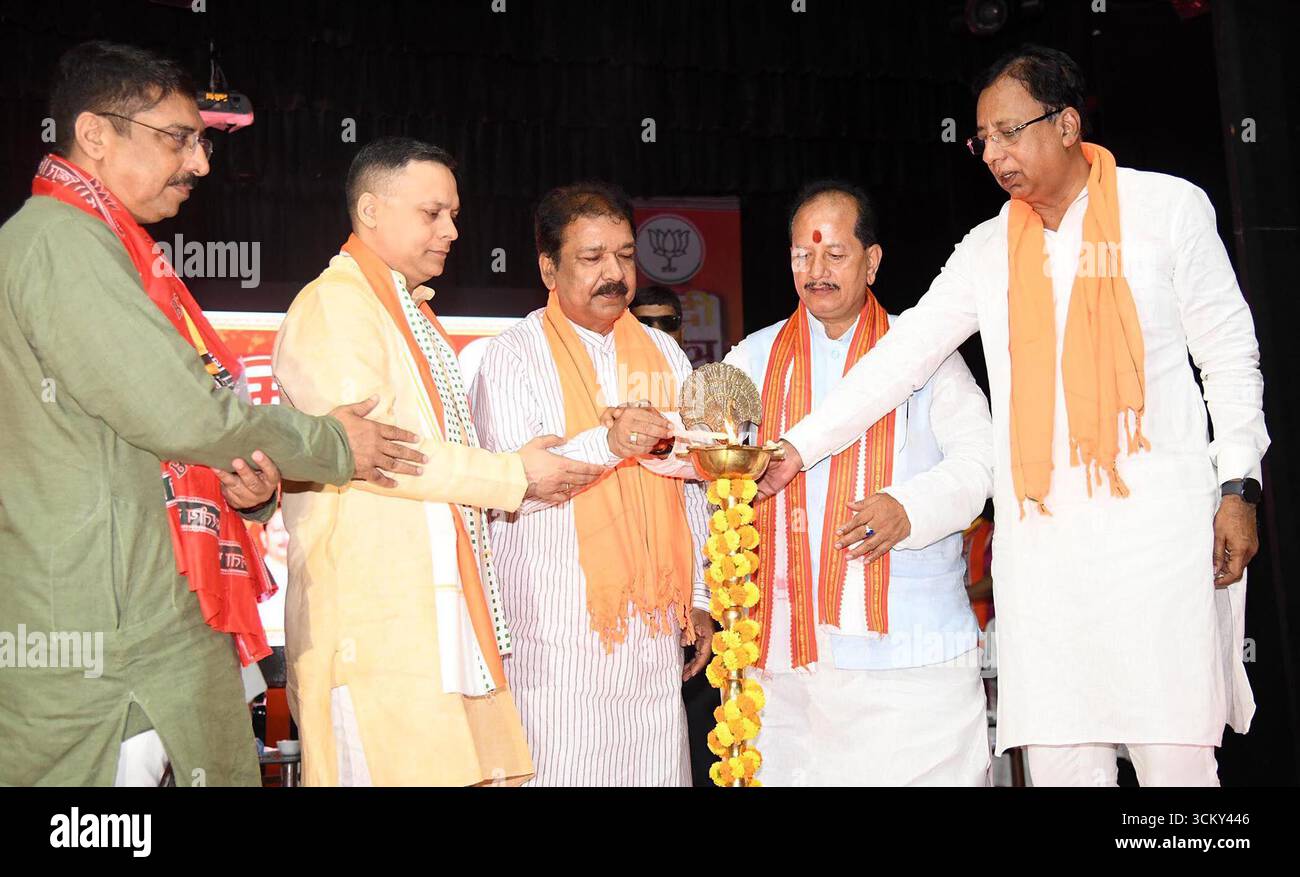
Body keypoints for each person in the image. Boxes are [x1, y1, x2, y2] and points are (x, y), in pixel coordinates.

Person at [759, 45, 1268, 786]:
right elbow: (898, 362)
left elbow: (1230, 357)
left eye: (1008, 132)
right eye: (982, 140)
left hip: (1158, 536)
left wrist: (1239, 488)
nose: (993, 155)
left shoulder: (1168, 210)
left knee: (1175, 762)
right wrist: (797, 450)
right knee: (1061, 762)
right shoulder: (989, 249)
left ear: (1066, 124)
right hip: (1043, 552)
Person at [0, 42, 420, 787]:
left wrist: (244, 493)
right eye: (177, 138)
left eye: (199, 141)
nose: (200, 162)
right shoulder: (60, 243)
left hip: (143, 638)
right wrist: (332, 444)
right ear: (95, 135)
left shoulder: (103, 244)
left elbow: (153, 443)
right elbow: (184, 414)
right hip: (106, 663)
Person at [273, 138, 607, 785]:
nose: (452, 230)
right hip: (372, 630)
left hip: (428, 627)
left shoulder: (410, 310)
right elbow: (383, 456)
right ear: (370, 211)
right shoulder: (336, 306)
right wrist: (513, 475)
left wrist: (520, 474)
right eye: (433, 213)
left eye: (453, 213)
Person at [722, 180, 994, 785]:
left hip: (911, 663)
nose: (816, 271)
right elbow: (703, 448)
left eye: (835, 254)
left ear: (873, 261)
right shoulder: (753, 359)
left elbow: (983, 462)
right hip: (791, 665)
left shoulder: (924, 354)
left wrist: (909, 506)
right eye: (802, 256)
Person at [470, 182, 713, 785]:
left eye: (626, 255)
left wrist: (703, 600)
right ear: (548, 267)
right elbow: (517, 483)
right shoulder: (511, 357)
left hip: (656, 641)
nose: (614, 273)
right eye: (592, 257)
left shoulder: (664, 354)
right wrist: (609, 443)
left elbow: (695, 484)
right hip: (555, 645)